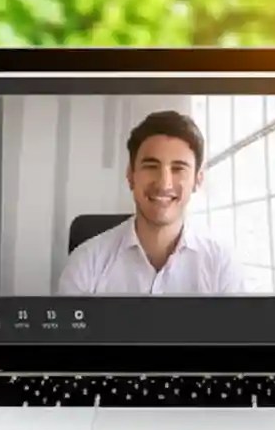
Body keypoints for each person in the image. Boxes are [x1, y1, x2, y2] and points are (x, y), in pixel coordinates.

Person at [57, 110, 245, 295]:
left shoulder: (221, 265)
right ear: (131, 175)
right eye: (151, 166)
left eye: (178, 168)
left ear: (197, 180)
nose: (164, 184)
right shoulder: (86, 263)